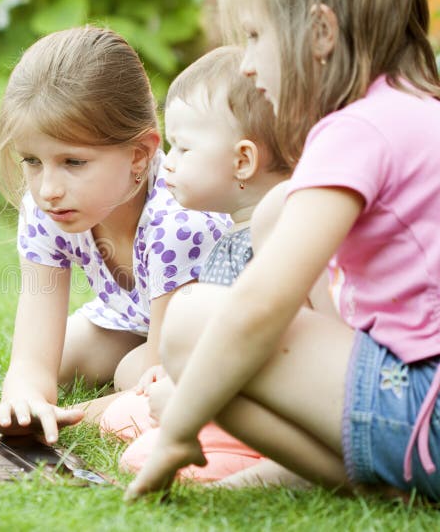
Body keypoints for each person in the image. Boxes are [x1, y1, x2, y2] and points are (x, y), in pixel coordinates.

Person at [126, 0, 440, 502]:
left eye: (254, 37)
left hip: (424, 411)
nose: (246, 63)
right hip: (422, 409)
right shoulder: (419, 109)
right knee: (277, 212)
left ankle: (375, 483)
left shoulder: (355, 130)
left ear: (320, 32)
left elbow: (261, 305)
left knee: (189, 324)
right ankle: (382, 483)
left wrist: (179, 425)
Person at [0, 26, 229, 444]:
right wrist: (21, 402)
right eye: (32, 161)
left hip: (209, 335)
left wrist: (46, 416)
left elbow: (158, 389)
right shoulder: (47, 208)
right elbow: (31, 359)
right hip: (128, 319)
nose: (48, 188)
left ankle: (113, 373)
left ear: (139, 155)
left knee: (134, 375)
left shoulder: (179, 222)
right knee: (62, 356)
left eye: (73, 161)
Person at [101, 45, 311, 487]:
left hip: (262, 407)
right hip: (220, 394)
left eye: (183, 147)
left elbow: (273, 351)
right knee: (123, 414)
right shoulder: (230, 234)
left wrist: (186, 391)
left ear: (243, 161)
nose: (169, 161)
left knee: (137, 451)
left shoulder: (279, 237)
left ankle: (244, 453)